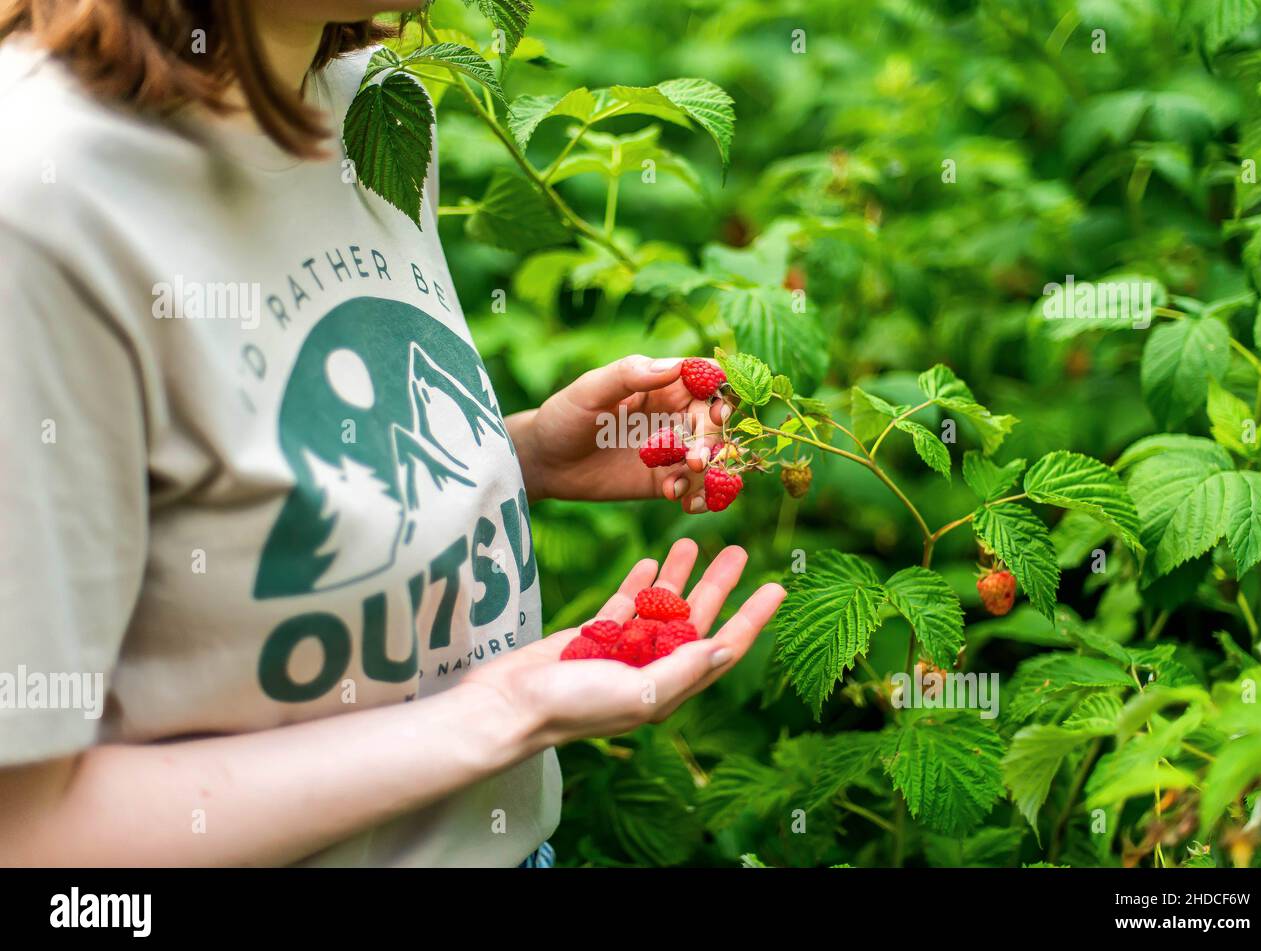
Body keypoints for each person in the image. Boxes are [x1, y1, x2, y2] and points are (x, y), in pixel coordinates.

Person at [0, 0, 785, 867]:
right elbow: (29, 834)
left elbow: (244, 488)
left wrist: (510, 456)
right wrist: (498, 713)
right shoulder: (37, 194)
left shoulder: (373, 104)